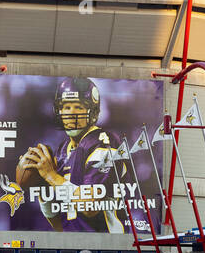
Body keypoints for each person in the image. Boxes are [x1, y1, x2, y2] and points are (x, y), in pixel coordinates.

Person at [16, 77, 129, 233]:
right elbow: (60, 225)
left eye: (78, 106)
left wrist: (51, 176)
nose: (71, 113)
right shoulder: (62, 150)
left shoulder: (104, 142)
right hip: (74, 240)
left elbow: (90, 207)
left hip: (107, 240)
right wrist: (44, 189)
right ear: (59, 111)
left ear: (93, 112)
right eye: (66, 107)